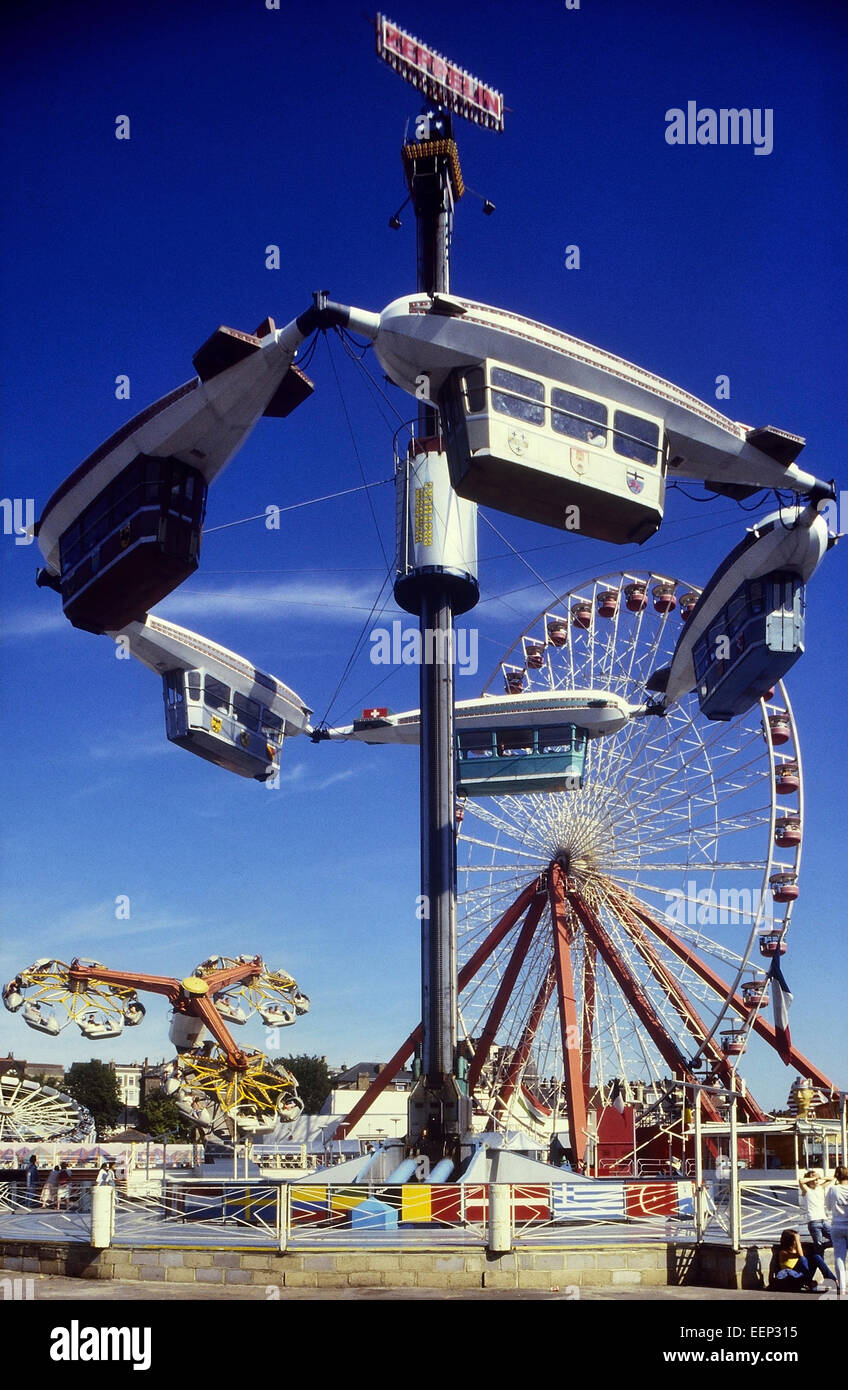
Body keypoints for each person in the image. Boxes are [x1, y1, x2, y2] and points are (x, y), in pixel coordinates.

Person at [825, 1164, 848, 1299]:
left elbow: (828, 1206)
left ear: (836, 1176)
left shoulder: (833, 1189)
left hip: (837, 1226)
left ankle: (843, 1288)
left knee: (839, 1257)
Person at [798, 1168, 832, 1255]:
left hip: (824, 1220)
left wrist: (820, 1177)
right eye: (813, 1179)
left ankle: (824, 1246)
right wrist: (812, 1178)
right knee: (818, 1248)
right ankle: (819, 1265)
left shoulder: (820, 1187)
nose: (816, 1181)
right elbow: (801, 1181)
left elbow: (831, 1179)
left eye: (816, 1179)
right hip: (814, 1221)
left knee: (835, 1237)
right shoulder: (806, 1190)